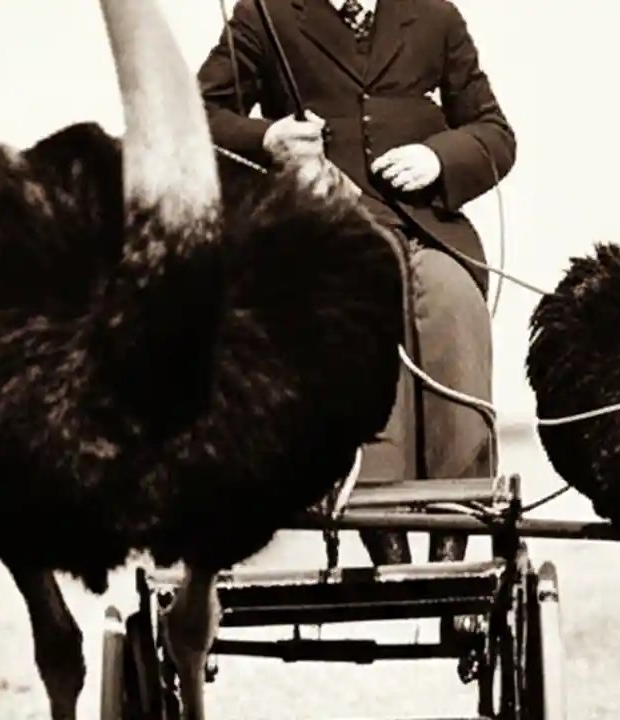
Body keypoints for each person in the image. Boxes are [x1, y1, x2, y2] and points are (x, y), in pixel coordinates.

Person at [197, 0, 516, 572]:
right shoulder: (264, 14)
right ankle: (382, 536)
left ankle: (453, 546)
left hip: (433, 232)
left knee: (453, 302)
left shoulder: (436, 15)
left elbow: (494, 131)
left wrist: (438, 158)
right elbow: (198, 117)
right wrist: (268, 138)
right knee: (369, 310)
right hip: (332, 237)